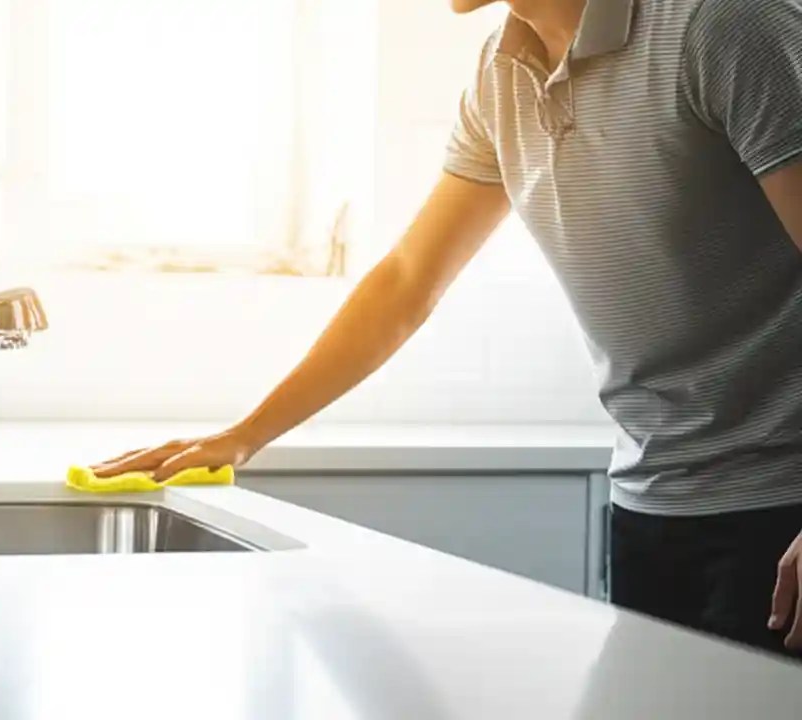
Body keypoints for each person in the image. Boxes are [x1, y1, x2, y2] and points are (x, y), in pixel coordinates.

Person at [94, 0, 802, 658]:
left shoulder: (725, 25)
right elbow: (408, 280)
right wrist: (244, 433)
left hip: (782, 508)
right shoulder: (504, 71)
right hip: (651, 503)